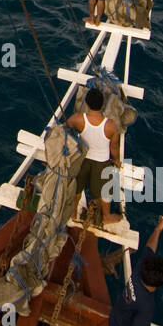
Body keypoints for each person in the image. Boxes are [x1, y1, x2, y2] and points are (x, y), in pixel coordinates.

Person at [109, 215, 163, 326]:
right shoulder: (146, 305)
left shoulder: (141, 268)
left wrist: (158, 230)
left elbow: (150, 247)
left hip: (116, 319)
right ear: (157, 285)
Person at [62, 88, 122, 227]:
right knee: (105, 189)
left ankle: (73, 213)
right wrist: (117, 161)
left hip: (82, 159)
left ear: (87, 104)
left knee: (77, 186)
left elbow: (64, 129)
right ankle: (106, 216)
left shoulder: (78, 119)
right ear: (102, 105)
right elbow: (114, 148)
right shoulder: (110, 126)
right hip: (102, 161)